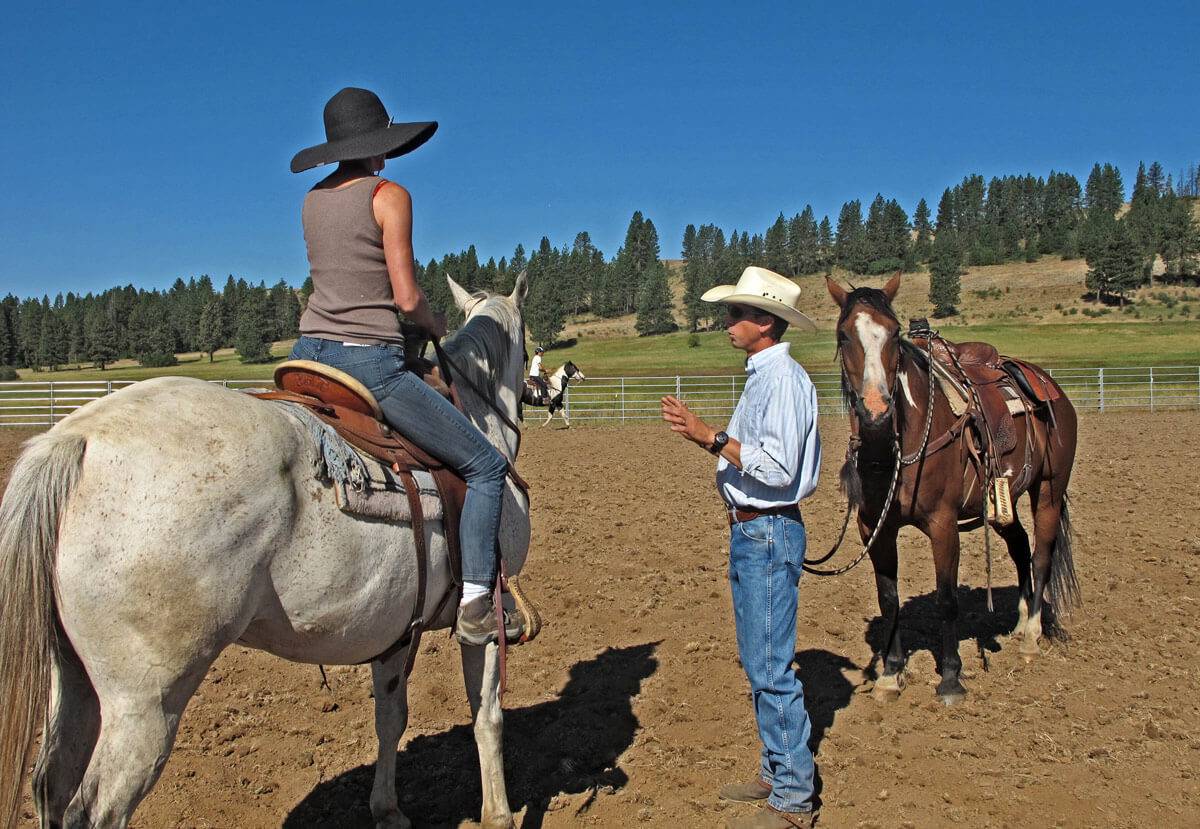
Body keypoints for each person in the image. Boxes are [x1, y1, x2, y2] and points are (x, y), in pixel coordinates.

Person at [289, 87, 520, 645]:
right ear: (378, 145)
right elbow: (407, 298)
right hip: (369, 364)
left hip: (305, 357)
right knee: (487, 467)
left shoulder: (313, 200)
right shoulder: (390, 195)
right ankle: (474, 605)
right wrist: (438, 326)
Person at [660, 266, 822, 828]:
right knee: (761, 660)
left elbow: (776, 469)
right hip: (756, 530)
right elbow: (753, 457)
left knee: (770, 665)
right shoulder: (765, 376)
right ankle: (778, 772)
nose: (727, 322)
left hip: (767, 530)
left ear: (765, 323)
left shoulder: (780, 381)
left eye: (736, 314)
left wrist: (709, 436)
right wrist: (710, 441)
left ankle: (794, 797)